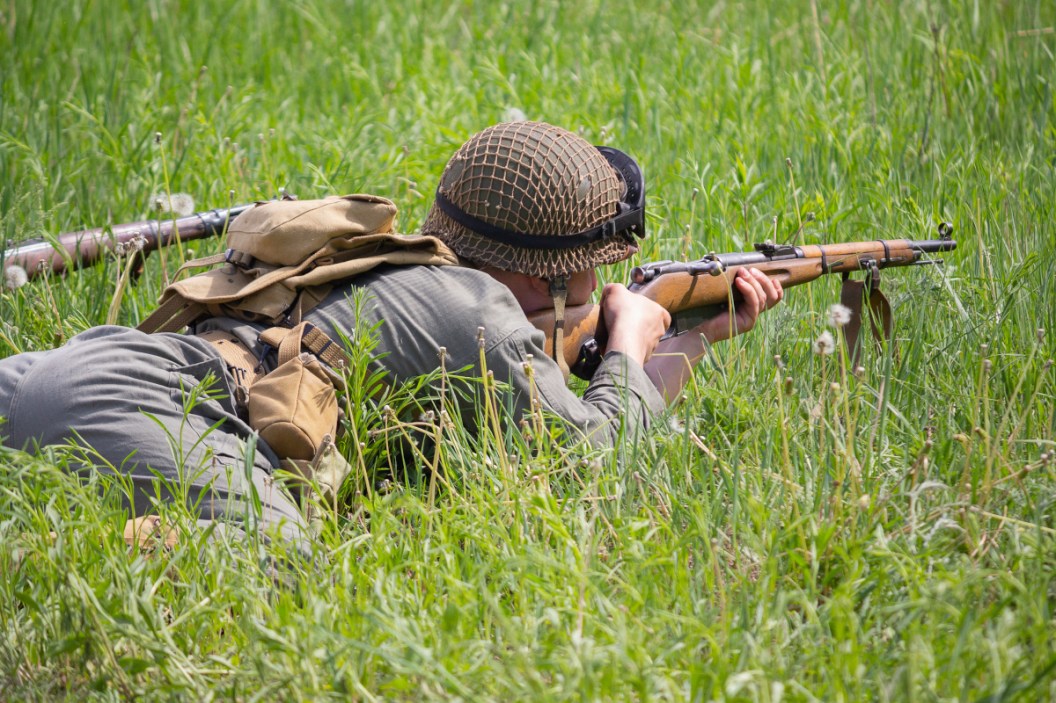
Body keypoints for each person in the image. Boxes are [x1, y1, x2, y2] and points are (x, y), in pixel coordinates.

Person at [0, 121, 782, 548]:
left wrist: (691, 341)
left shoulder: (413, 270)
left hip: (83, 367)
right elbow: (594, 461)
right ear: (550, 278)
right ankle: (55, 552)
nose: (598, 289)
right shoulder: (480, 319)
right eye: (593, 276)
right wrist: (628, 339)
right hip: (155, 407)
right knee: (275, 559)